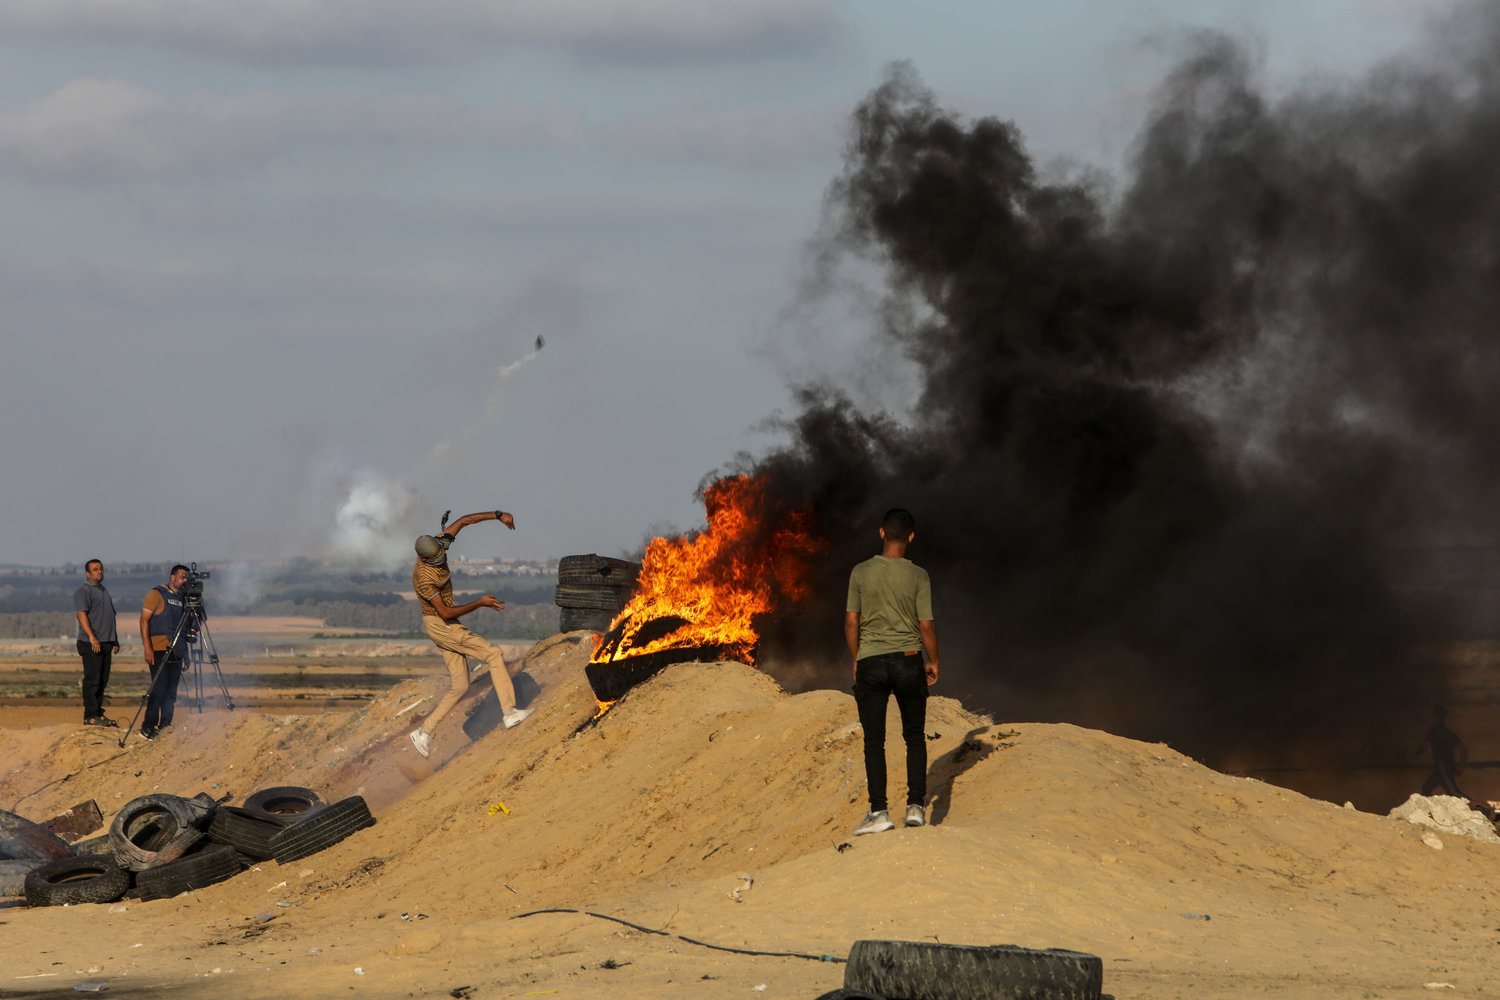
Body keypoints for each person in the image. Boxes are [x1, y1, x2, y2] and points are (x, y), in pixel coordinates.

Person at [408, 509, 532, 758]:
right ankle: (510, 712)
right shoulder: (424, 578)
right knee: (493, 654)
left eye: (441, 553)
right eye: (435, 558)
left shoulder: (439, 544)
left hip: (442, 624)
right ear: (424, 558)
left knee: (461, 685)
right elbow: (445, 612)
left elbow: (464, 521)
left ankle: (424, 731)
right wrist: (479, 603)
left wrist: (498, 515)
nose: (441, 558)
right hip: (442, 624)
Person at [845, 507, 940, 835]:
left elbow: (851, 622)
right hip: (909, 659)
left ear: (881, 532)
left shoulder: (860, 572)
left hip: (871, 661)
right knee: (914, 736)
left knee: (874, 741)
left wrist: (858, 657)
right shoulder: (919, 576)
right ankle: (915, 807)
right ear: (911, 536)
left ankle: (879, 812)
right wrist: (933, 660)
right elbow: (926, 625)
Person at [139, 564, 193, 740]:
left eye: (187, 577)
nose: (185, 580)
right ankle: (148, 725)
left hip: (177, 650)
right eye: (182, 576)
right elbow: (144, 620)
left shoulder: (183, 599)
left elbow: (184, 629)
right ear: (172, 577)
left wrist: (185, 654)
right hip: (159, 649)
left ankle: (165, 725)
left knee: (171, 692)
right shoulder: (156, 594)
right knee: (159, 689)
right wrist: (147, 647)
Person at [73, 559, 120, 727]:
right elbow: (81, 615)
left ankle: (98, 712)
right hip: (90, 643)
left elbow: (109, 617)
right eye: (95, 569)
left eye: (101, 568)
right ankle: (90, 715)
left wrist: (114, 640)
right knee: (92, 680)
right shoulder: (83, 591)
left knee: (102, 680)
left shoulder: (104, 591)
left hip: (106, 642)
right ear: (88, 573)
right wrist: (92, 637)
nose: (99, 571)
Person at [1417, 705, 1469, 799]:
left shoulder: (1433, 731)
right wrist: (1460, 767)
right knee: (1426, 788)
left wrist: (1416, 753)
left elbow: (1423, 748)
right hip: (1445, 767)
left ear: (1435, 717)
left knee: (1454, 793)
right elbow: (1463, 749)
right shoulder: (1450, 733)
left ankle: (1479, 806)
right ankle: (1428, 807)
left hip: (1442, 767)